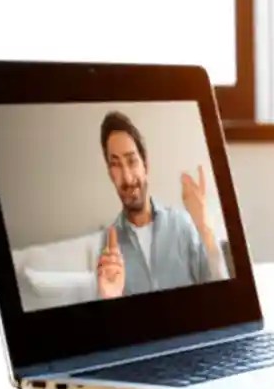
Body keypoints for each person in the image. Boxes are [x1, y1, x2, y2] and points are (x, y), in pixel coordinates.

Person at [94, 111, 224, 297]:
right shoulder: (107, 247)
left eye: (131, 161)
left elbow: (221, 295)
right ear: (110, 174)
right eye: (116, 165)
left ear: (145, 165)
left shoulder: (182, 225)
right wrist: (108, 298)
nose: (127, 177)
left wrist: (204, 226)